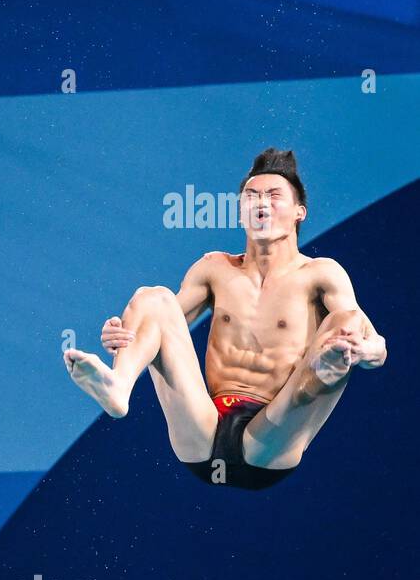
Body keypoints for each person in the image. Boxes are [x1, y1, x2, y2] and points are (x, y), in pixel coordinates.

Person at [63, 148, 386, 490]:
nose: (261, 202)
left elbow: (377, 346)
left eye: (274, 196)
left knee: (346, 321)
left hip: (273, 437)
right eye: (252, 196)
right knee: (153, 298)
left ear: (298, 212)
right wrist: (123, 337)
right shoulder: (214, 269)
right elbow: (159, 325)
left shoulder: (321, 275)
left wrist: (364, 352)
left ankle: (327, 366)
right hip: (203, 433)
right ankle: (118, 386)